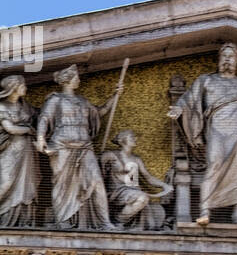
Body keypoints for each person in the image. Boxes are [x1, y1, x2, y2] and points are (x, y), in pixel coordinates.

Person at [168, 42, 237, 225]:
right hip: (216, 129)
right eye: (224, 56)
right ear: (219, 59)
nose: (227, 59)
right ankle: (205, 211)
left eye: (231, 56)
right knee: (214, 165)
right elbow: (189, 100)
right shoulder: (206, 80)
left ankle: (236, 215)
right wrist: (179, 109)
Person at [35, 64, 118, 230]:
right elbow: (44, 118)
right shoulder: (55, 100)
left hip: (85, 146)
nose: (78, 80)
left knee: (96, 181)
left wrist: (116, 95)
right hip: (62, 146)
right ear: (67, 80)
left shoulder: (83, 101)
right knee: (62, 185)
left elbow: (100, 112)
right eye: (76, 77)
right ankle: (62, 219)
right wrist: (40, 137)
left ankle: (105, 221)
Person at [101, 129, 172, 229]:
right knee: (142, 197)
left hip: (132, 191)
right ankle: (117, 221)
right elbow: (100, 174)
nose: (135, 139)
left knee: (142, 198)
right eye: (131, 137)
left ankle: (120, 221)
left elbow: (149, 178)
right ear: (122, 140)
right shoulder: (109, 155)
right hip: (116, 192)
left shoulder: (136, 159)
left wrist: (164, 185)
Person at [0, 74, 39, 227]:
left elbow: (41, 116)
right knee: (6, 182)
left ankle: (22, 219)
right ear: (14, 88)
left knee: (28, 184)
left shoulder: (26, 106)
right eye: (23, 85)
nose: (26, 88)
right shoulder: (2, 107)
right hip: (10, 150)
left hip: (27, 151)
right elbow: (10, 128)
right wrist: (29, 130)